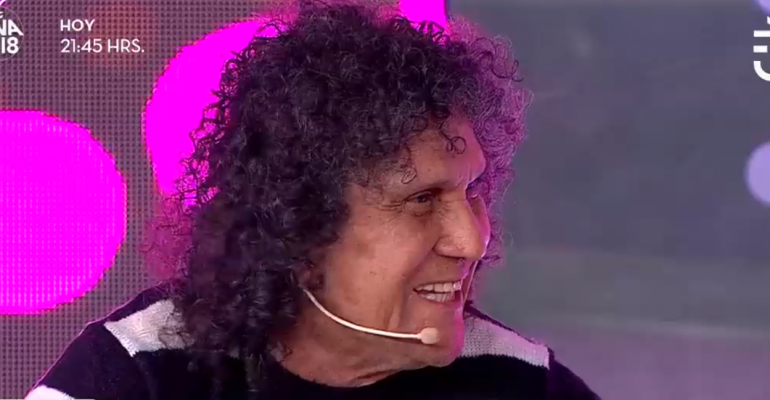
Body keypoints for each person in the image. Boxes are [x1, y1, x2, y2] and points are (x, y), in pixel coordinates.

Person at [26, 1, 600, 399]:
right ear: (297, 229)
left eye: (471, 190)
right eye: (422, 198)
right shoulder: (138, 370)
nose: (473, 239)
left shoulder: (520, 380)